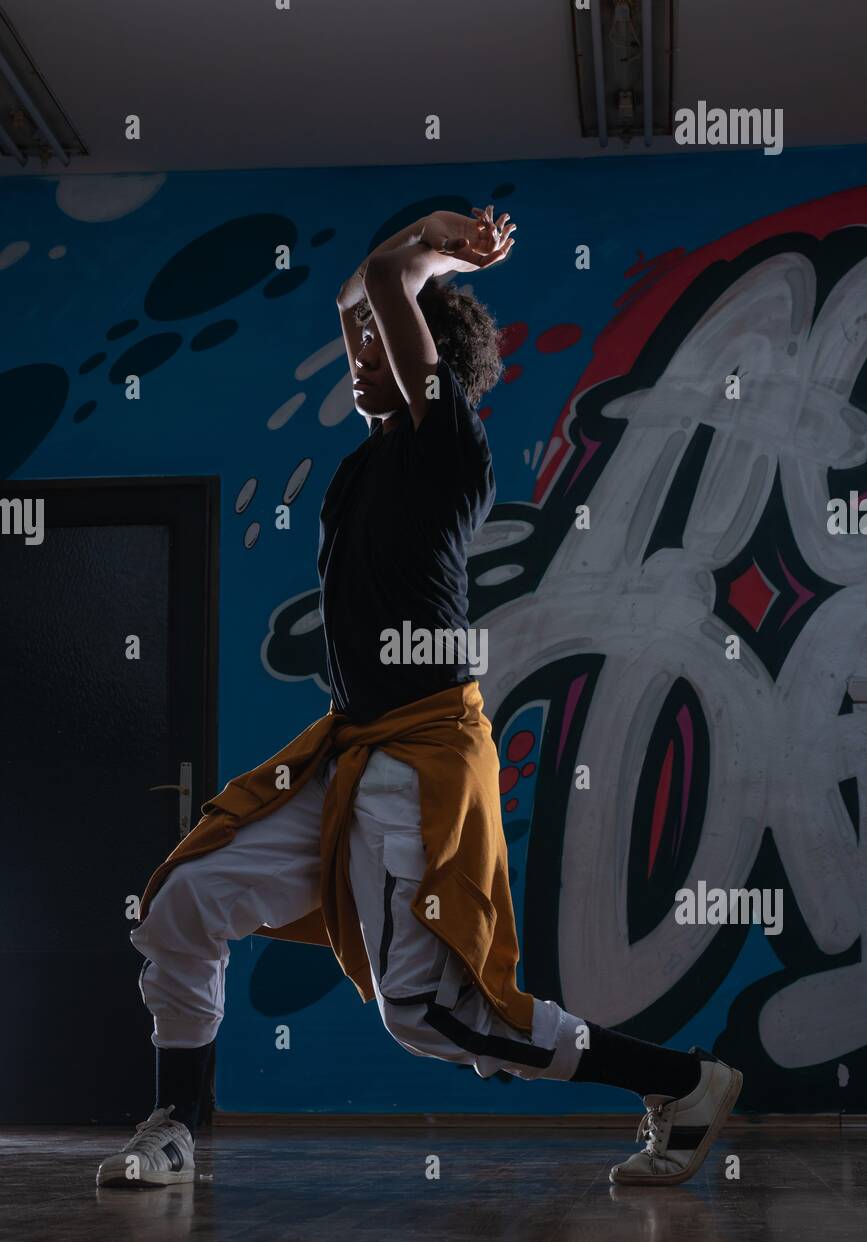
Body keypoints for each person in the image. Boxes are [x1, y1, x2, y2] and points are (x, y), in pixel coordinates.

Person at [96, 206, 741, 1192]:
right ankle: (175, 1126)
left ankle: (681, 1082)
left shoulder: (450, 448)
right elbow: (358, 295)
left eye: (385, 346)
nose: (359, 351)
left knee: (435, 1017)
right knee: (185, 898)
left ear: (432, 367)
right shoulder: (374, 456)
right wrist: (406, 260)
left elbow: (386, 290)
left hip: (421, 757)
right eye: (361, 344)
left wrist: (431, 249)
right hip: (355, 749)